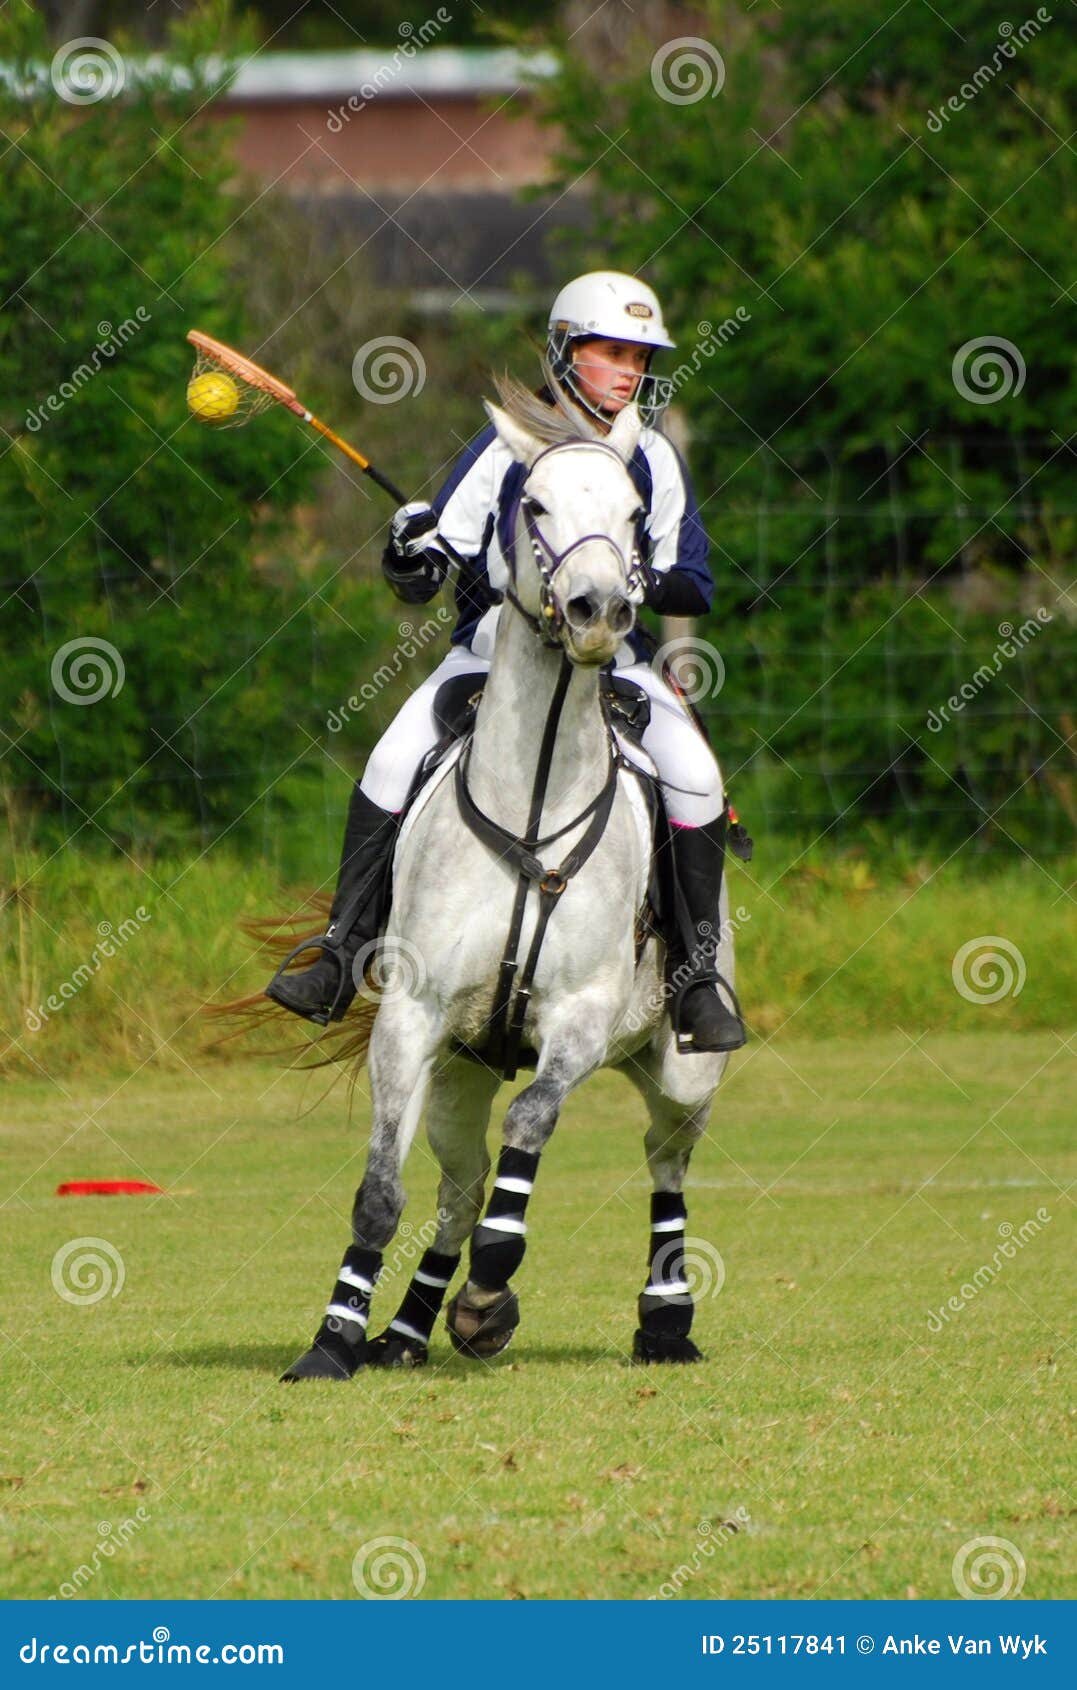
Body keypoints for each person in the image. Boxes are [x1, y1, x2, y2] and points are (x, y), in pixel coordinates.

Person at [266, 270, 745, 1052]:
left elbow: (692, 584)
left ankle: (692, 983)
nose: (630, 370)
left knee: (695, 776)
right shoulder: (502, 448)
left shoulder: (652, 457)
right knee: (392, 759)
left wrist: (625, 581)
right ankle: (342, 954)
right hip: (492, 655)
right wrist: (404, 548)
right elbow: (425, 577)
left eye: (640, 356)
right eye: (611, 351)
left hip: (614, 660)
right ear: (564, 351)